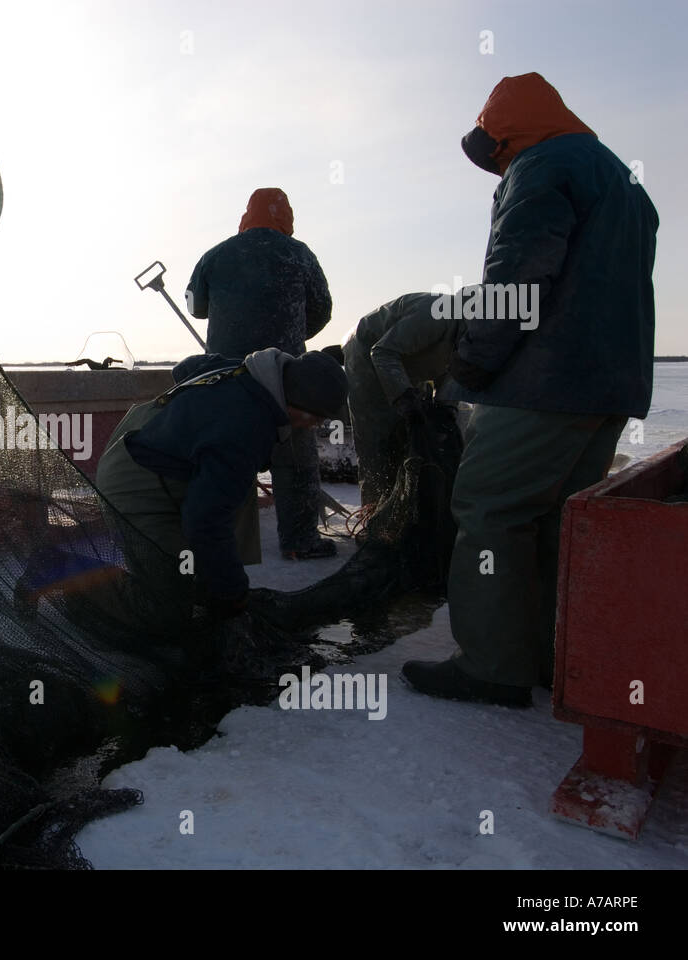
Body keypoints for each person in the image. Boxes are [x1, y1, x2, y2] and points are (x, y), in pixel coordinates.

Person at [402, 73, 658, 706]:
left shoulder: (540, 165)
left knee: (489, 509)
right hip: (609, 388)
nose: (500, 167)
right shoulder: (623, 182)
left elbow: (517, 275)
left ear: (505, 132)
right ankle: (548, 654)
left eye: (497, 154)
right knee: (554, 520)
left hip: (544, 382)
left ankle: (491, 666)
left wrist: (476, 361)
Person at [95, 349, 349, 626]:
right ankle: (84, 596)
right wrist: (234, 592)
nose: (316, 426)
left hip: (138, 440)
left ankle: (206, 579)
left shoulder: (245, 370)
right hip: (132, 482)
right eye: (316, 418)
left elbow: (184, 368)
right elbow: (205, 520)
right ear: (297, 402)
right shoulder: (246, 427)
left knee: (204, 551)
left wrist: (195, 421)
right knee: (169, 602)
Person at [185, 188, 335, 560]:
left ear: (246, 216)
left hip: (225, 377)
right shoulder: (300, 255)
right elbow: (323, 310)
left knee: (225, 456)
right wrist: (293, 333)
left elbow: (195, 306)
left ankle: (221, 546)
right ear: (288, 219)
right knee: (296, 458)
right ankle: (300, 542)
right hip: (284, 377)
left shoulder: (216, 255)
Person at [344, 291, 463, 508]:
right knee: (378, 440)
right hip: (365, 351)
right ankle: (374, 516)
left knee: (413, 437)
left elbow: (453, 373)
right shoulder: (437, 314)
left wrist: (446, 408)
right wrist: (404, 396)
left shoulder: (475, 339)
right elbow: (382, 351)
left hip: (408, 362)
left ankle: (407, 512)